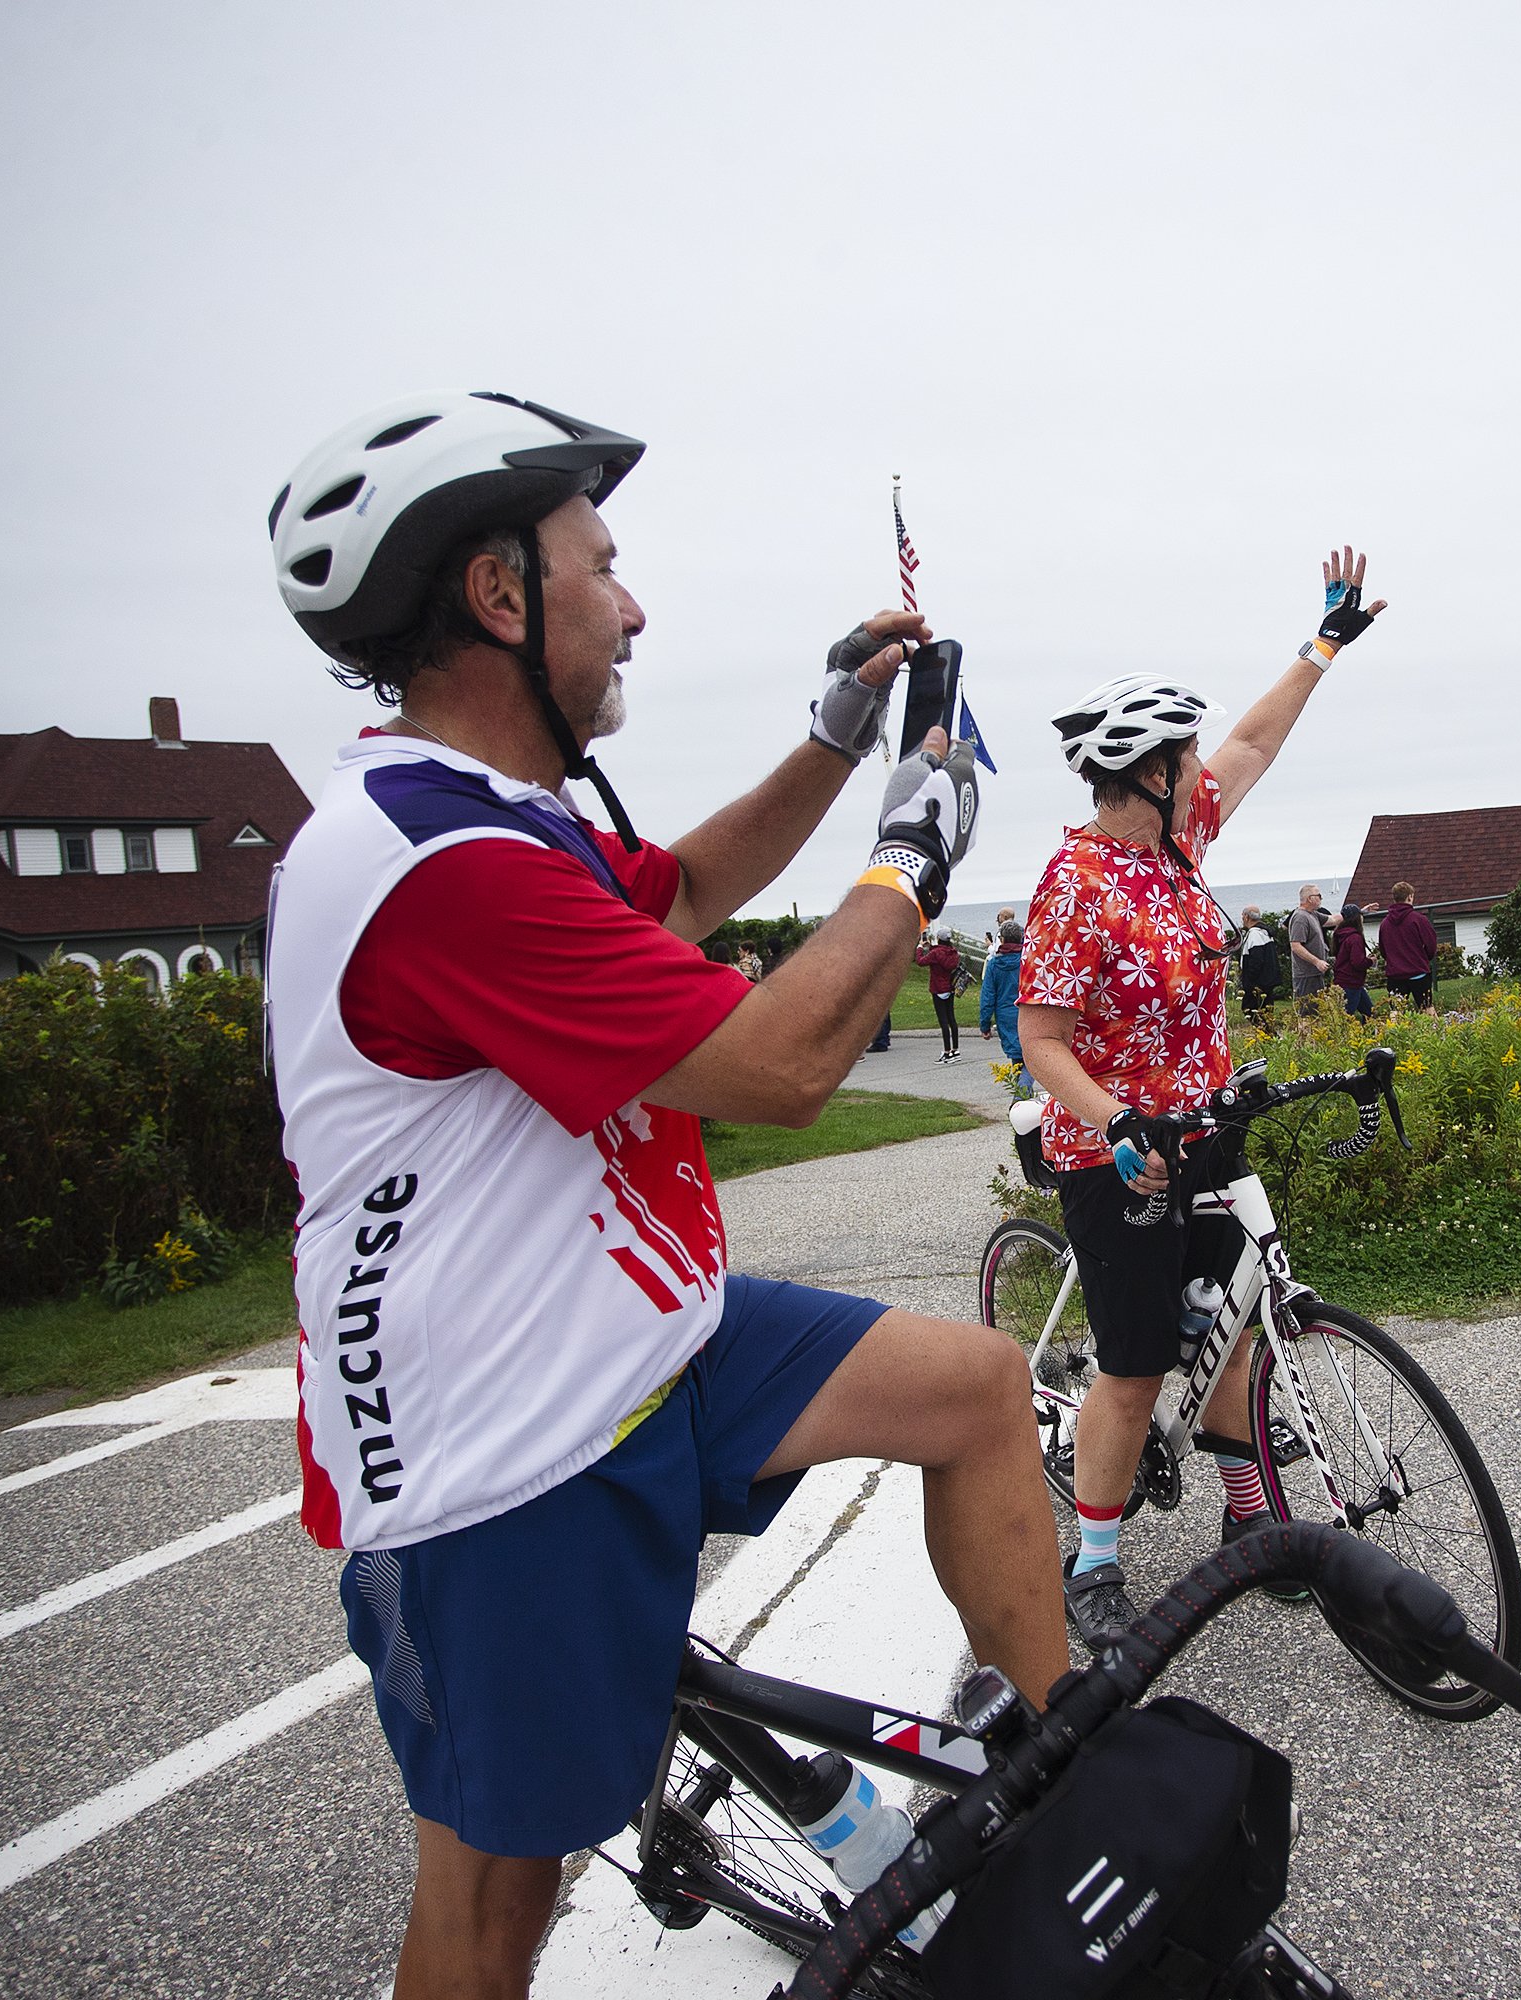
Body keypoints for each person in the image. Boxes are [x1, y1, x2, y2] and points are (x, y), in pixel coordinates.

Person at [261, 390, 1061, 2000]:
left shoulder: (498, 815)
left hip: (634, 1344)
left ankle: (1069, 1775)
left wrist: (835, 739)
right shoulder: (431, 864)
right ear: (500, 597)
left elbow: (685, 891)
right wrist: (912, 851)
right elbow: (780, 1064)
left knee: (977, 1389)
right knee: (495, 1905)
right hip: (496, 1453)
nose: (632, 606)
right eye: (600, 567)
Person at [1020, 547, 1388, 1652]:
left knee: (1232, 1327)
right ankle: (1093, 1558)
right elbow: (1042, 1036)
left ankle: (1247, 1514)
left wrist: (1321, 644)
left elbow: (1258, 738)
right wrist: (1116, 1117)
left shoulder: (1182, 843)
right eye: (1181, 753)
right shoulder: (1073, 883)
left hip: (1207, 1129)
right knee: (1133, 1369)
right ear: (1142, 772)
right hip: (1117, 1155)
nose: (1198, 763)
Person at [1377, 880, 1439, 1008]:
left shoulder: (1385, 923)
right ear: (1410, 896)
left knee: (1396, 1012)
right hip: (1418, 971)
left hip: (1395, 974)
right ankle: (1434, 1028)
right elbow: (1431, 945)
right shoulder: (1419, 920)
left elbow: (1383, 950)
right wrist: (1424, 958)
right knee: (1427, 1009)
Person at [915, 928, 965, 1062]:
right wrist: (930, 947)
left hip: (938, 989)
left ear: (939, 938)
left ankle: (947, 1052)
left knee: (943, 1021)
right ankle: (955, 1050)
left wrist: (920, 947)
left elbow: (920, 961)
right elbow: (941, 955)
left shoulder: (936, 953)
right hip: (950, 987)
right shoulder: (953, 953)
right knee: (952, 1020)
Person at [978, 919, 1023, 1063]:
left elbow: (988, 998)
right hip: (1028, 1012)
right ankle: (1025, 1084)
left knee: (1017, 1057)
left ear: (1001, 940)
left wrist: (985, 1025)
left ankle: (1023, 1085)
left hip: (1006, 1015)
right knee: (1030, 1054)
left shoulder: (994, 965)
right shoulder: (1027, 961)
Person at [1285, 881, 1331, 1021]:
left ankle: (1314, 1042)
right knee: (1307, 1015)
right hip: (1306, 975)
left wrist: (1358, 911)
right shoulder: (1300, 917)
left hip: (1315, 974)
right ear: (1310, 898)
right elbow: (1296, 945)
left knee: (1317, 1013)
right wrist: (1316, 961)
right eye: (1319, 895)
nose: (1321, 898)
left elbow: (1333, 919)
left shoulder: (1314, 915)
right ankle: (1305, 1042)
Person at [1236, 905, 1286, 1020]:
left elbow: (1256, 961)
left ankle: (1266, 1035)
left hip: (1258, 983)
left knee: (1251, 1011)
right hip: (1267, 981)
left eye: (1243, 916)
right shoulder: (1265, 932)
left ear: (1247, 917)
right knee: (1265, 1013)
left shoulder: (1255, 934)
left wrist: (1250, 981)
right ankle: (1268, 1035)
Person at [1331, 900, 1374, 1018]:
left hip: (1345, 980)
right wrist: (1370, 961)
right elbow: (1357, 962)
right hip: (1351, 982)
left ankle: (1368, 1034)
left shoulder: (1339, 934)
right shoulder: (1355, 938)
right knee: (1346, 1016)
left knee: (1370, 1013)